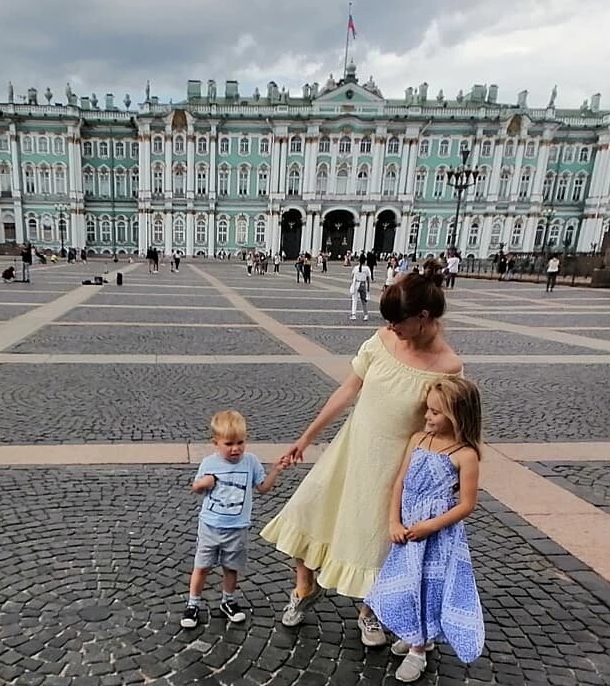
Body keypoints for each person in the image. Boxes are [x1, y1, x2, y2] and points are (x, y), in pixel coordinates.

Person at [261, 269, 463, 644]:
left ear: (422, 317)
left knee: (375, 541)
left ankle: (369, 612)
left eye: (397, 321)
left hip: (392, 467)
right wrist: (306, 438)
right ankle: (304, 589)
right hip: (351, 449)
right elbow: (348, 389)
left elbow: (445, 426)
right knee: (309, 511)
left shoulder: (448, 367)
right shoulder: (383, 339)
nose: (391, 327)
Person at [365, 378, 485, 682]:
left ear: (457, 416)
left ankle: (418, 648)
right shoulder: (418, 439)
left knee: (426, 588)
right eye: (427, 411)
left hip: (436, 537)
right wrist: (394, 520)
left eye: (435, 413)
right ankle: (415, 632)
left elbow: (466, 504)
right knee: (402, 582)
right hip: (407, 529)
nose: (427, 417)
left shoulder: (464, 455)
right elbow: (400, 483)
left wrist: (430, 526)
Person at [181, 410, 291, 630]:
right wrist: (204, 484)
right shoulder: (209, 463)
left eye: (240, 442)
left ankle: (228, 600)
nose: (235, 448)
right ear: (216, 443)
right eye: (229, 443)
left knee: (232, 567)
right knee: (201, 567)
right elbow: (195, 487)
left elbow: (263, 488)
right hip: (210, 526)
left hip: (237, 528)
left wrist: (276, 471)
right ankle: (193, 604)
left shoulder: (250, 462)